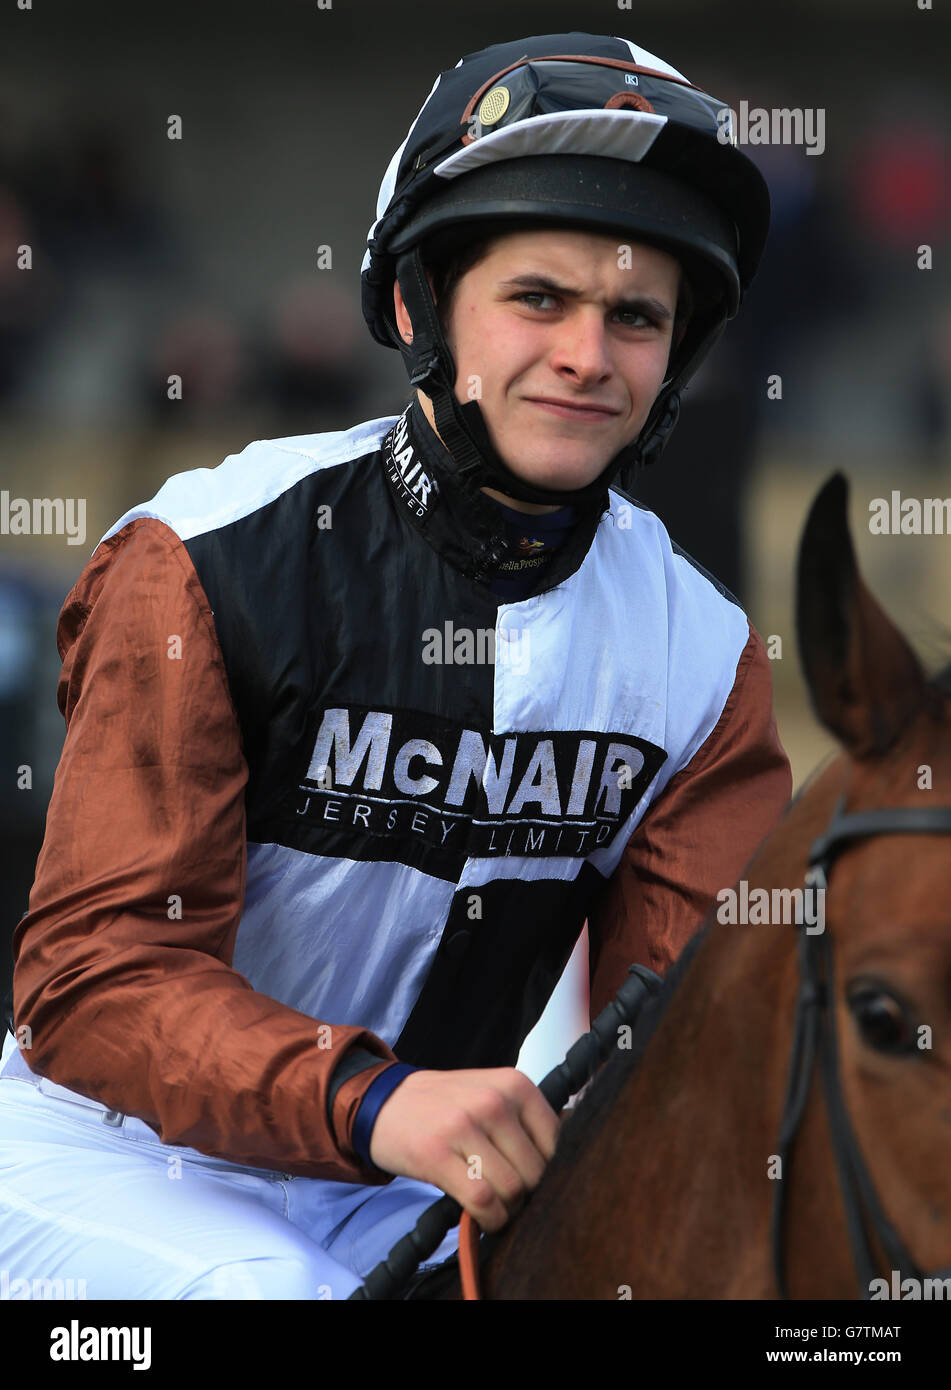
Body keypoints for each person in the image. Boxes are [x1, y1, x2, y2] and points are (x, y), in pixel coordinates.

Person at [0, 32, 791, 1300]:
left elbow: (689, 1042)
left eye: (637, 316)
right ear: (424, 304)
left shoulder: (699, 652)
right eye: (539, 299)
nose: (591, 356)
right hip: (116, 1164)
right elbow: (93, 982)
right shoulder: (203, 557)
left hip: (416, 1194)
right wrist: (376, 1100)